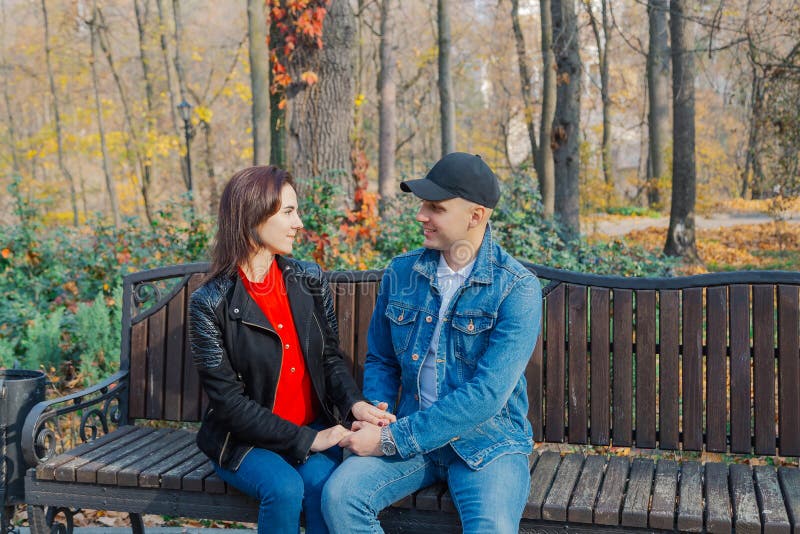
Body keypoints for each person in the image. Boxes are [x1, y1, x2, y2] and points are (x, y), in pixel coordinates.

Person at [322, 153, 543, 533]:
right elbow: (382, 359)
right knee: (340, 497)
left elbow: (487, 395)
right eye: (422, 204)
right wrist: (378, 414)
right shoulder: (402, 272)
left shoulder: (516, 289)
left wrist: (390, 439)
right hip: (410, 432)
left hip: (487, 443)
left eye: (436, 207)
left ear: (476, 216)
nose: (421, 215)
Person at [188, 166, 394, 534]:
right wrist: (312, 440)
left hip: (309, 427)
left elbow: (329, 357)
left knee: (325, 487)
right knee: (284, 489)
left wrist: (354, 404)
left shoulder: (307, 280)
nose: (299, 223)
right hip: (244, 440)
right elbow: (229, 404)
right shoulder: (210, 302)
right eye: (288, 212)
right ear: (251, 216)